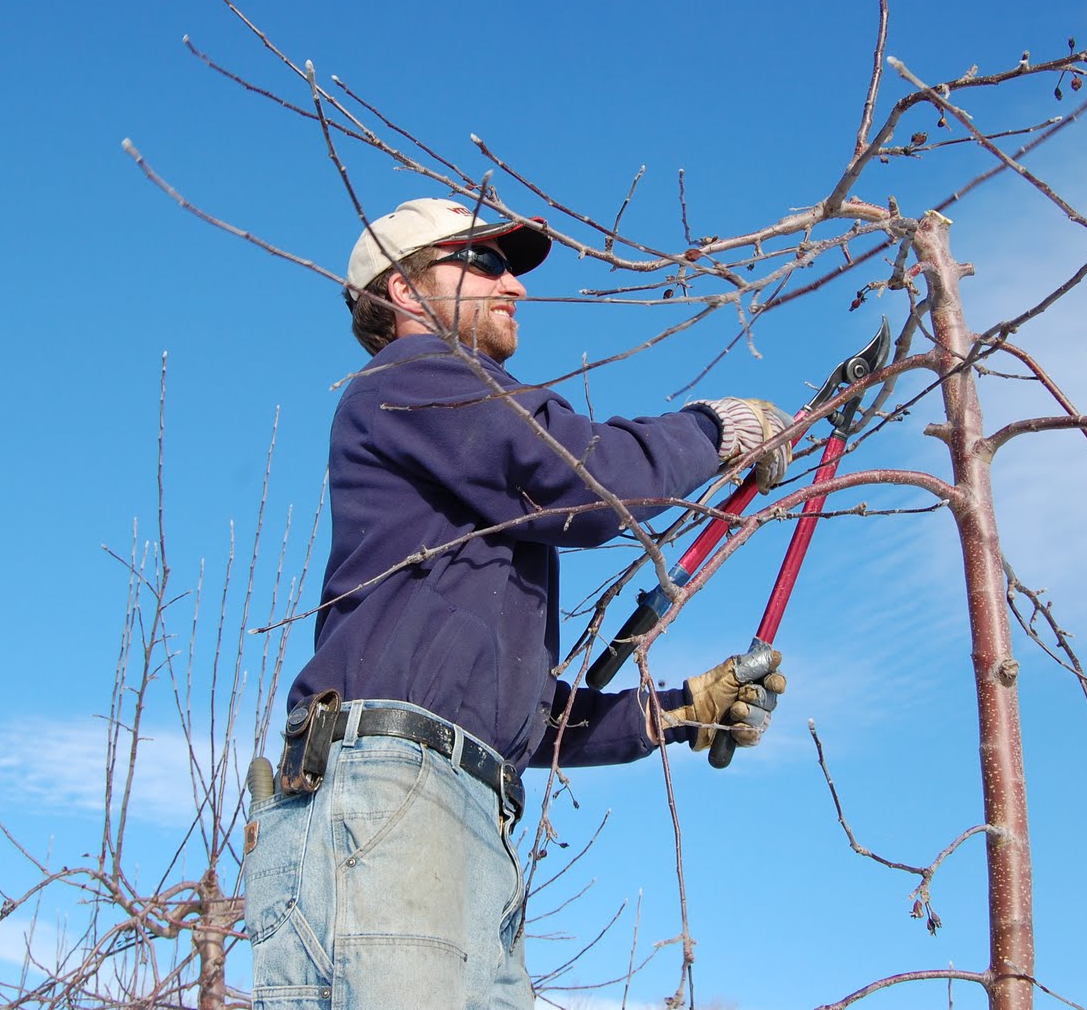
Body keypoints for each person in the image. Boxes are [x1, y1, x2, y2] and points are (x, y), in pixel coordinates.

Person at [244, 197, 793, 1009]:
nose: (517, 288)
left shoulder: (474, 503)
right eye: (486, 263)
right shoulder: (414, 381)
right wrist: (717, 426)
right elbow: (594, 479)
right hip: (391, 805)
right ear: (404, 291)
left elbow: (523, 718)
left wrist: (680, 711)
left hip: (453, 811)